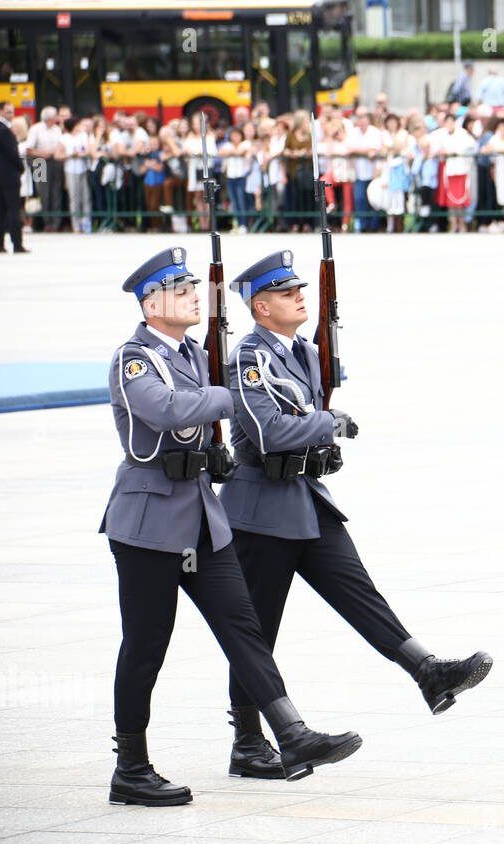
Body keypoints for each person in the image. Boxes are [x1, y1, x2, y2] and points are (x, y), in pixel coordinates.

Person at [101, 247, 363, 804]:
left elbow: (195, 412)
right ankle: (131, 766)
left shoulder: (197, 355)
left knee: (244, 630)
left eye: (195, 285)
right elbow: (170, 411)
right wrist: (227, 398)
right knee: (147, 645)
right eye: (181, 288)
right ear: (151, 303)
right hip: (148, 524)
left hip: (202, 518)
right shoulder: (134, 358)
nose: (196, 294)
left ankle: (288, 735)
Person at [216, 252, 493, 777]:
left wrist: (323, 443)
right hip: (259, 510)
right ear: (260, 306)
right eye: (286, 292)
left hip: (305, 496)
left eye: (301, 288)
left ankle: (429, 671)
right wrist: (328, 423)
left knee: (359, 591)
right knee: (258, 632)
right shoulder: (247, 358)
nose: (300, 296)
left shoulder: (302, 351)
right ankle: (250, 743)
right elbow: (268, 430)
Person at [0, 101, 27, 252]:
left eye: (12, 112)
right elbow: (12, 153)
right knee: (13, 209)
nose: (11, 115)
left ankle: (0, 244)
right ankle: (17, 244)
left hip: (0, 174)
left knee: (1, 210)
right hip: (9, 174)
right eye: (7, 112)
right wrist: (21, 167)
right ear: (0, 112)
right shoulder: (4, 130)